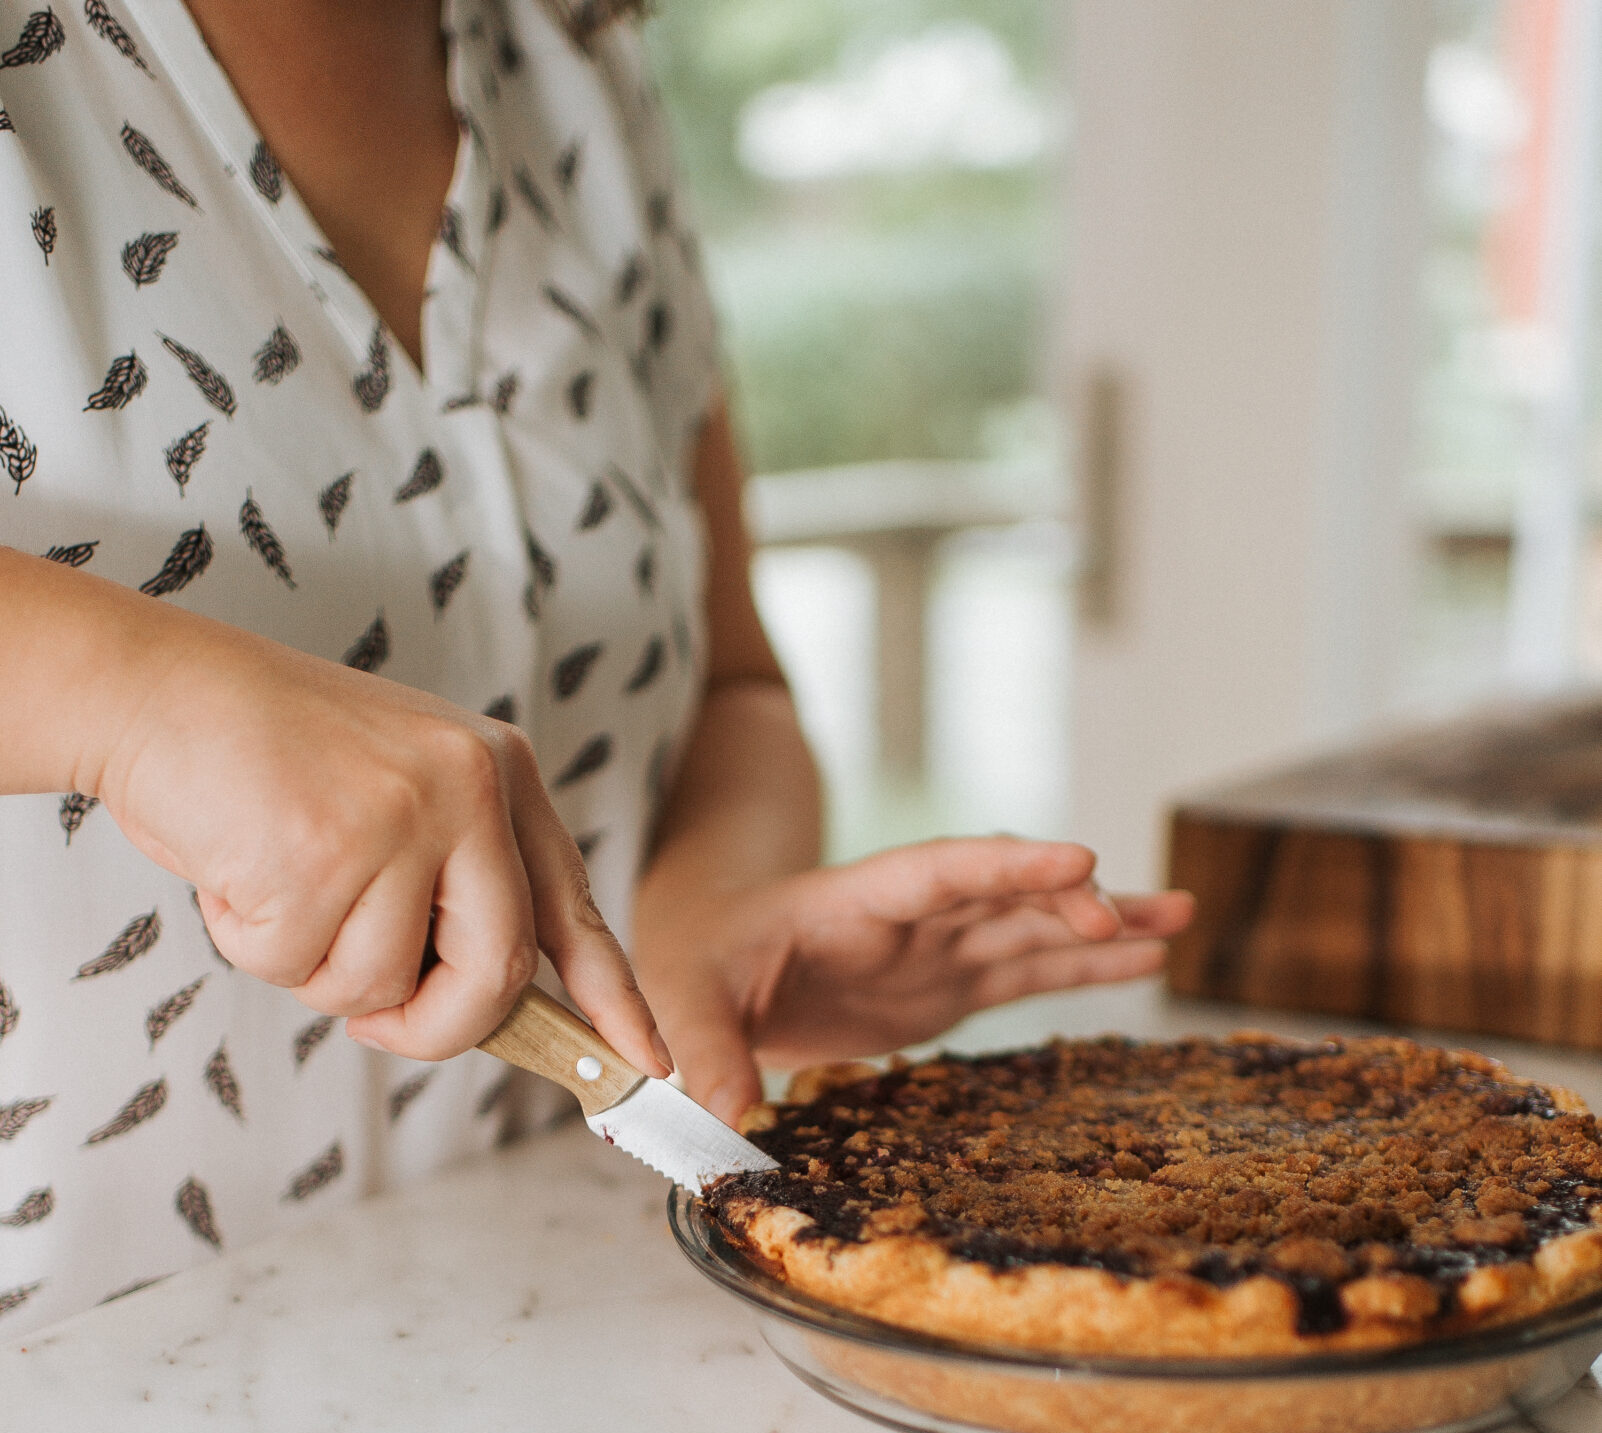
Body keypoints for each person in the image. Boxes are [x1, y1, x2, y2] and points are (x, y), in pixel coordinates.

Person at [0, 0, 1192, 1332]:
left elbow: (731, 682)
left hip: (514, 1338)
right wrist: (134, 696)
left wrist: (698, 930)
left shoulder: (571, 61)